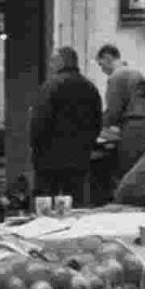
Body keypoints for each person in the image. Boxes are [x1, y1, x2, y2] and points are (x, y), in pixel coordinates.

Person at [29, 47, 103, 206]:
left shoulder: (50, 86)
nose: (50, 65)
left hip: (49, 159)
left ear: (61, 62)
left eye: (53, 61)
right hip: (79, 157)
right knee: (75, 202)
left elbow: (39, 122)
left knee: (48, 203)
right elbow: (98, 122)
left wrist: (35, 147)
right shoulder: (90, 87)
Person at [96, 43, 145, 177]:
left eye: (101, 65)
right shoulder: (138, 74)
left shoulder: (116, 77)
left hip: (132, 131)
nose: (102, 69)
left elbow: (113, 112)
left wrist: (95, 125)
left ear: (108, 58)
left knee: (130, 175)